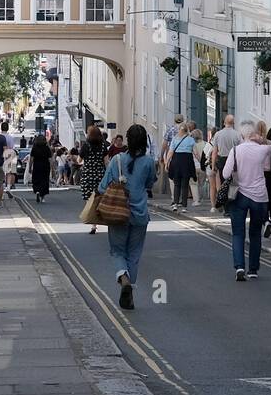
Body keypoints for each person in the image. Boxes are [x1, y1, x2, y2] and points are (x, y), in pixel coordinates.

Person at [95, 124, 158, 310]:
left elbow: (101, 187)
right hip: (139, 214)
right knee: (134, 254)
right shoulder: (148, 162)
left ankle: (124, 278)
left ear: (128, 141)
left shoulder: (116, 161)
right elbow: (150, 183)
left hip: (118, 214)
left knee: (117, 251)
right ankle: (130, 291)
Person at [221, 121, 271, 280]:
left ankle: (239, 267)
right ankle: (253, 270)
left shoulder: (235, 150)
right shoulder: (262, 149)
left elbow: (225, 174)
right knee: (255, 233)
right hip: (259, 196)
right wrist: (260, 139)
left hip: (239, 195)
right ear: (254, 134)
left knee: (238, 233)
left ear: (241, 135)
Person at [210, 116, 243, 217]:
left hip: (222, 160)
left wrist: (212, 166)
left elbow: (214, 152)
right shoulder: (237, 135)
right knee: (234, 184)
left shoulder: (218, 134)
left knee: (224, 184)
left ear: (224, 122)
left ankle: (226, 209)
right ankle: (234, 206)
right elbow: (241, 150)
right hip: (234, 159)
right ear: (233, 123)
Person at [78, 126, 108, 234]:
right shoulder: (103, 146)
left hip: (88, 176)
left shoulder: (86, 146)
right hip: (100, 175)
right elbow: (106, 162)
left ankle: (93, 224)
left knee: (89, 200)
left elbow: (79, 160)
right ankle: (97, 222)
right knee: (98, 199)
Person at [167, 122, 197, 211]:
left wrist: (167, 163)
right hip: (187, 162)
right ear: (186, 130)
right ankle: (184, 206)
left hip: (176, 162)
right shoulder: (191, 140)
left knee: (177, 184)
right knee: (185, 185)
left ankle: (175, 204)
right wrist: (201, 161)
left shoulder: (174, 139)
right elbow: (195, 153)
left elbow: (170, 152)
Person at [29, 135, 52, 202]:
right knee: (44, 180)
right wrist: (52, 169)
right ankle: (43, 197)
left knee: (36, 179)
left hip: (37, 166)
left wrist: (30, 167)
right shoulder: (47, 148)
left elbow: (31, 159)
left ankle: (37, 191)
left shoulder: (34, 148)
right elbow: (50, 159)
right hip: (45, 166)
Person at [190, 128, 207, 206]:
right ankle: (201, 199)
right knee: (201, 184)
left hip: (193, 166)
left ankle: (196, 201)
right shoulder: (206, 144)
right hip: (202, 167)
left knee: (193, 184)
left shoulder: (191, 145)